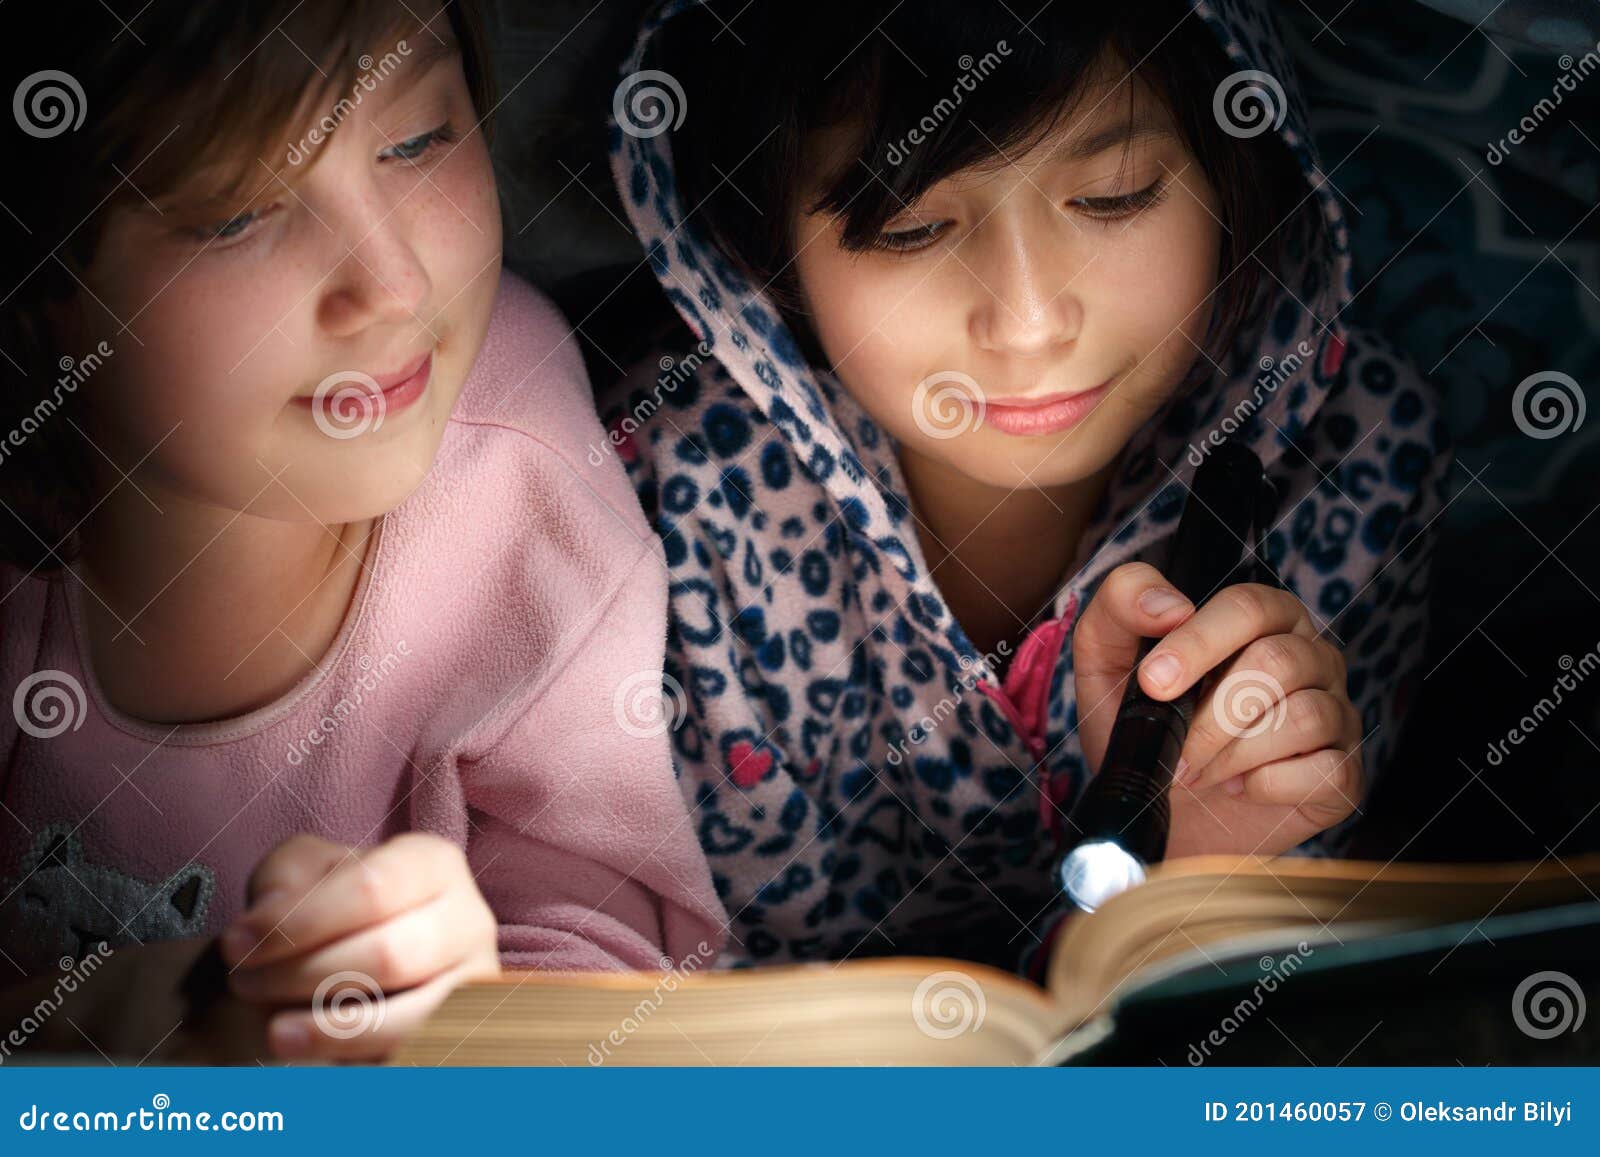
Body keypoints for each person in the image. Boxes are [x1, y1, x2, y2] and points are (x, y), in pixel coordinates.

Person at [601, 0, 1449, 967]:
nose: (1030, 321)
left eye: (1115, 195)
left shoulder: (1355, 459)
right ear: (761, 250)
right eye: (912, 225)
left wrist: (1206, 876)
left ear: (1235, 169)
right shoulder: (659, 494)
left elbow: (1264, 1007)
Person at [0, 0, 724, 1061]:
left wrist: (469, 1000)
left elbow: (605, 949)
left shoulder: (517, 460)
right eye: (238, 214)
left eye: (418, 140)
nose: (394, 286)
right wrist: (143, 1025)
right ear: (42, 291)